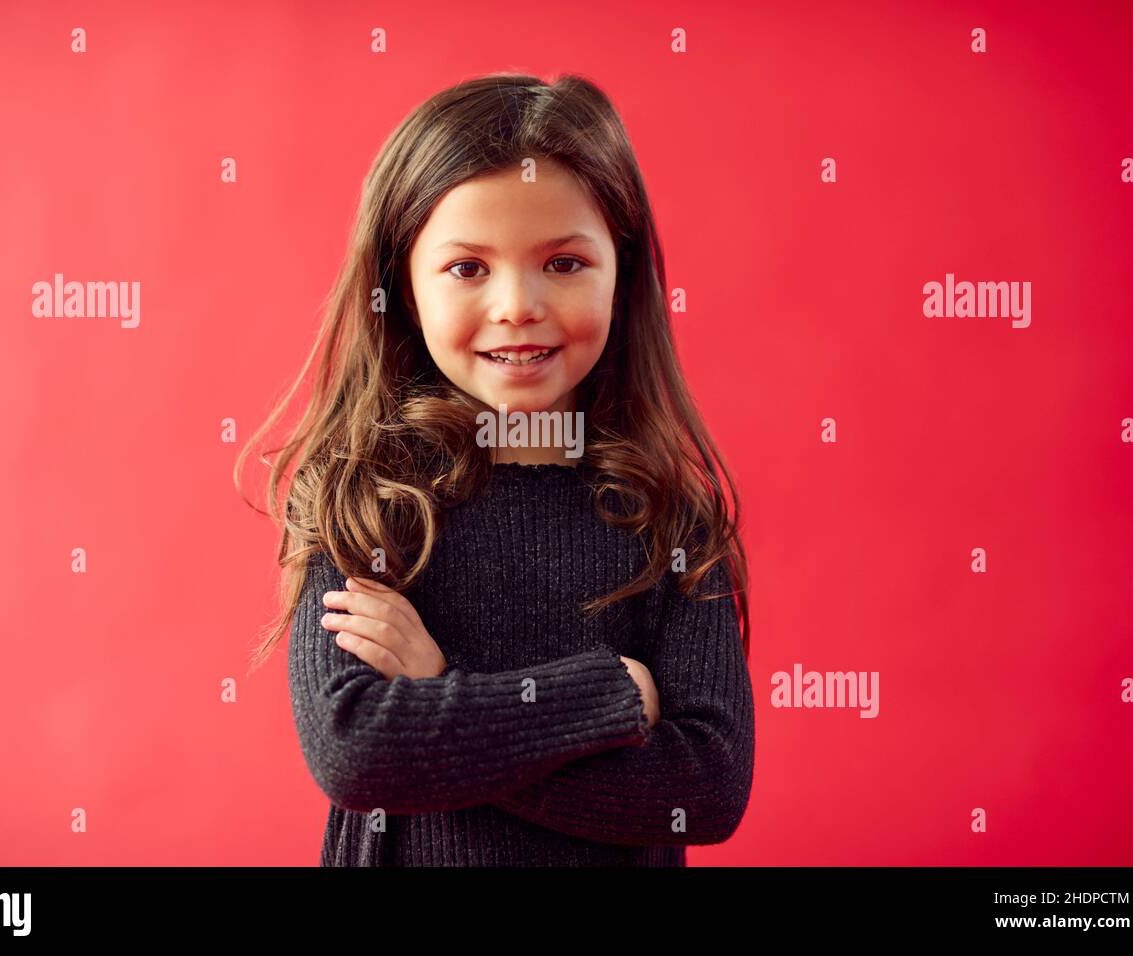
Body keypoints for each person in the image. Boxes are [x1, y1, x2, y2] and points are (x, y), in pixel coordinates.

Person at [238, 72, 754, 866]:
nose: (518, 304)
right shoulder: (366, 502)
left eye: (565, 263)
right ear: (402, 288)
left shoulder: (670, 520)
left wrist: (439, 686)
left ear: (621, 273)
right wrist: (608, 696)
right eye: (468, 268)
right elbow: (358, 753)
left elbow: (705, 790)